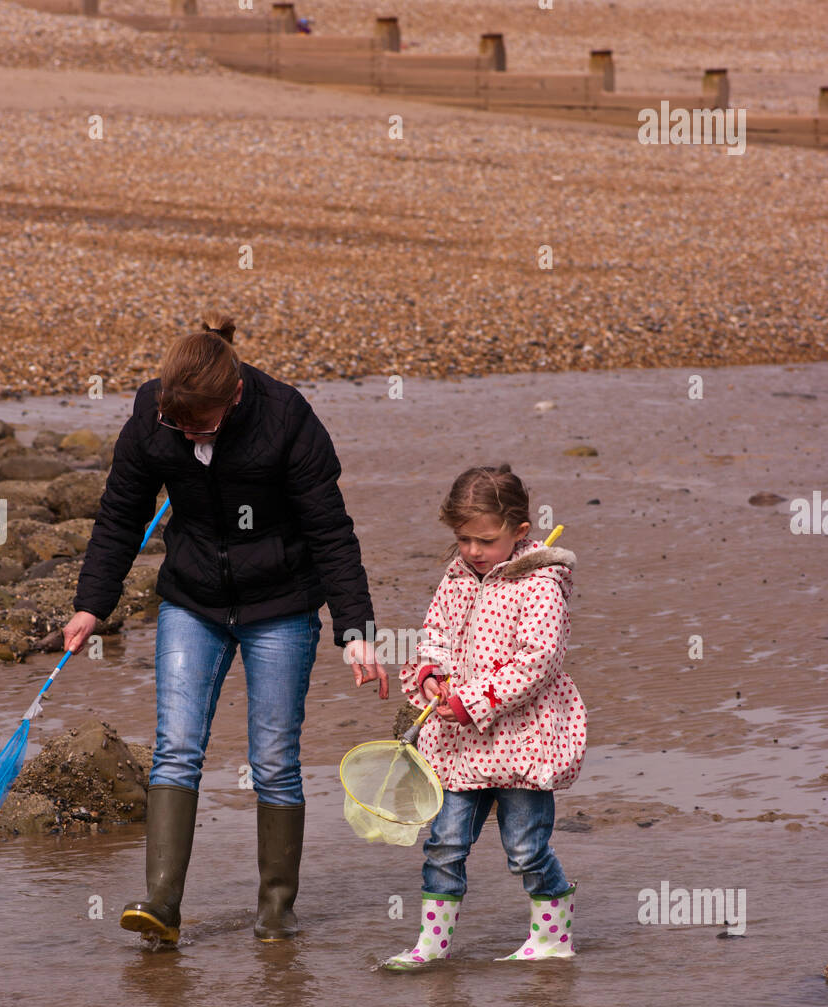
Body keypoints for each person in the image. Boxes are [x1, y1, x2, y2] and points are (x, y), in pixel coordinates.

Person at [63, 312, 387, 946]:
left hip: (282, 607)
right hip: (192, 602)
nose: (186, 434)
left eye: (199, 424)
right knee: (176, 747)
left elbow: (330, 531)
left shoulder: (287, 419)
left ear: (234, 395)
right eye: (175, 423)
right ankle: (160, 904)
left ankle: (275, 911)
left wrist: (355, 630)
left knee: (272, 760)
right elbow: (120, 515)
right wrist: (91, 605)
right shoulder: (153, 415)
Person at [383, 465, 586, 970]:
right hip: (458, 748)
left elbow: (537, 661)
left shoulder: (540, 582)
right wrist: (429, 673)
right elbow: (434, 635)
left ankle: (553, 934)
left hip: (522, 740)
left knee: (525, 848)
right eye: (462, 539)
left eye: (485, 540)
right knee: (444, 844)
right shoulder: (454, 577)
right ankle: (431, 943)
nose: (472, 550)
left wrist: (472, 700)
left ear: (519, 531)